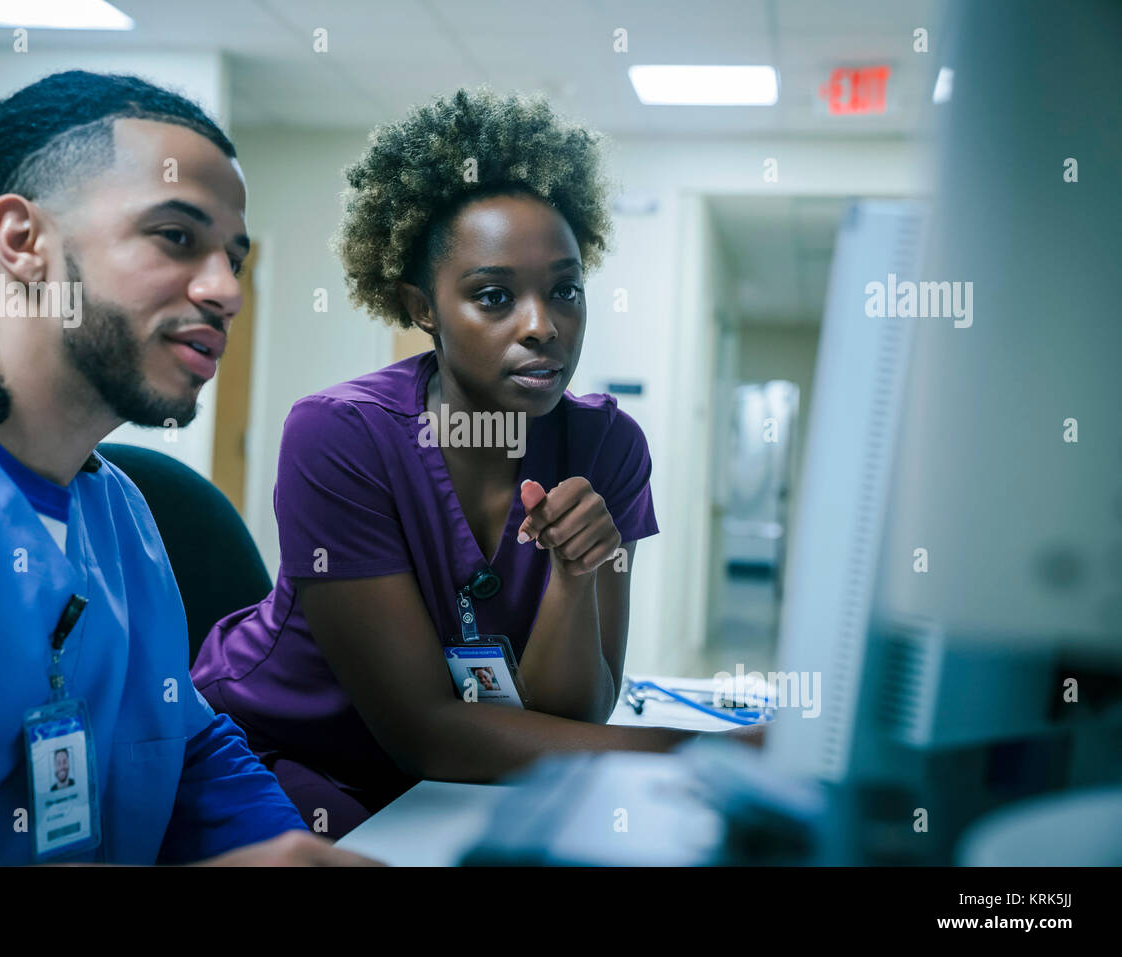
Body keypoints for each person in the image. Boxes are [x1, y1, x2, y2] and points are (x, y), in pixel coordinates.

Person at [0, 70, 372, 866]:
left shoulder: (120, 510)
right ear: (22, 242)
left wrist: (288, 849)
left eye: (235, 258)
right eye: (176, 237)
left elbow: (184, 747)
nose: (224, 291)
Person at [191, 89, 762, 840]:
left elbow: (576, 715)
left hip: (458, 777)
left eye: (565, 290)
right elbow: (424, 733)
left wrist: (575, 572)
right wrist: (700, 753)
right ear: (421, 305)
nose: (542, 326)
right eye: (494, 296)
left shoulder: (606, 448)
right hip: (282, 755)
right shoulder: (340, 436)